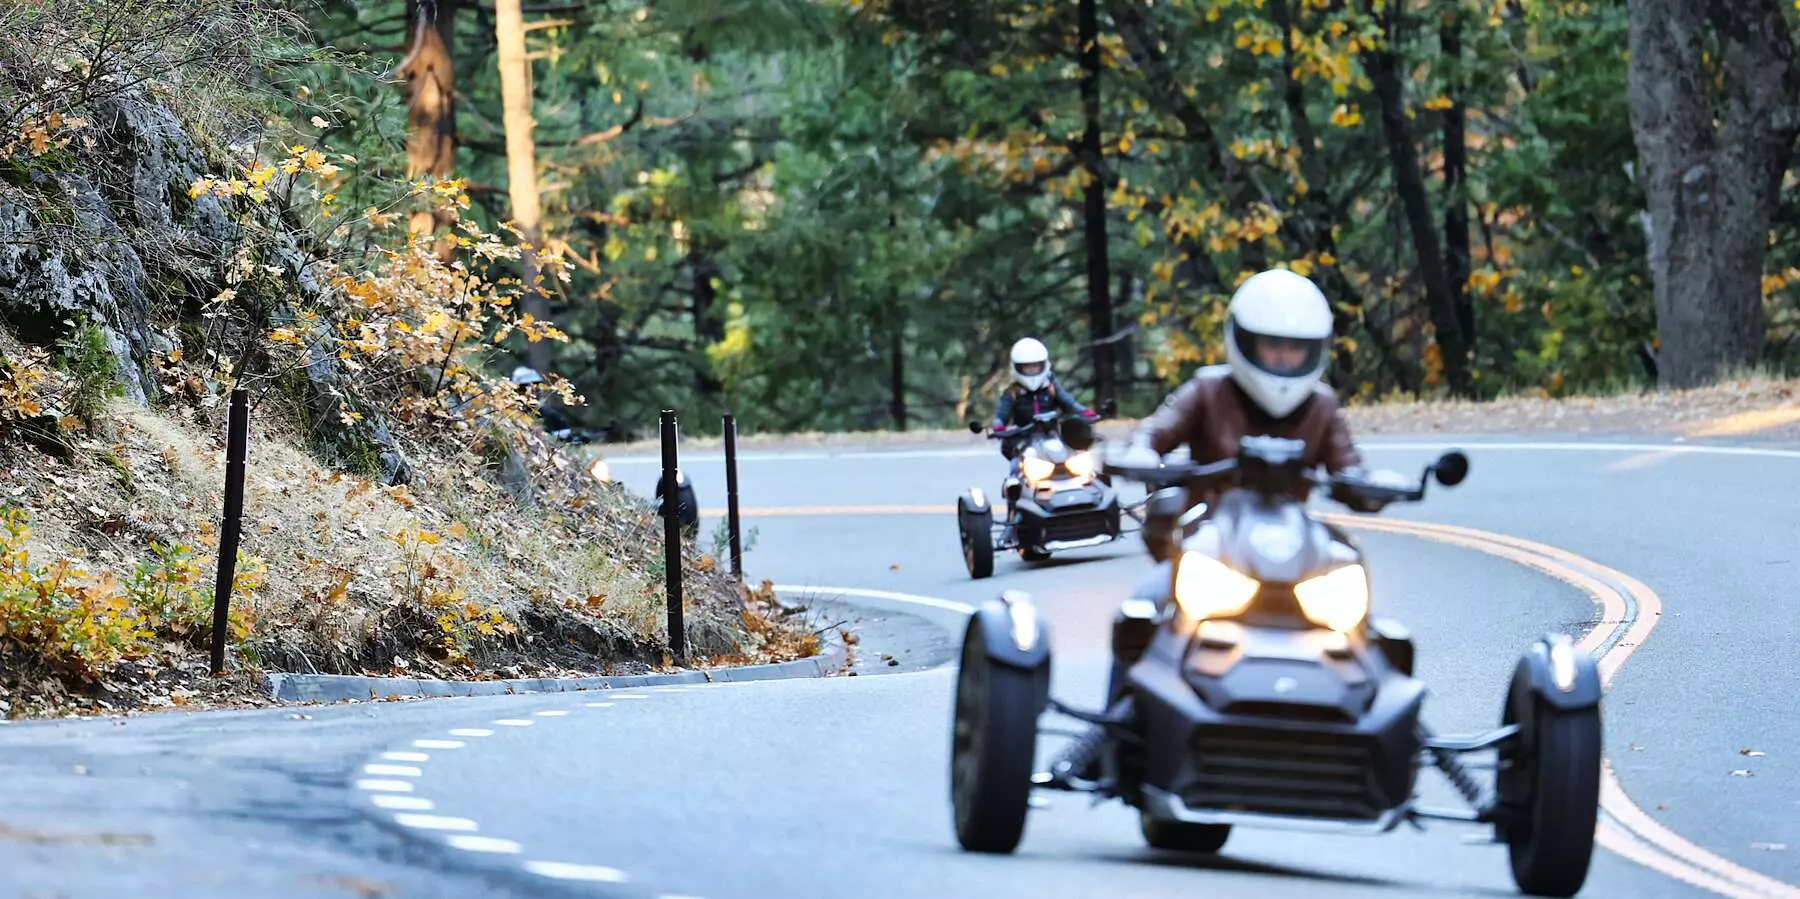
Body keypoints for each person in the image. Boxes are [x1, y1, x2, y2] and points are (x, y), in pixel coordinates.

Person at [1043, 267, 1367, 788]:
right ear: (1244, 342)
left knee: (1368, 625)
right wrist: (1140, 456)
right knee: (1143, 613)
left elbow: (1352, 472)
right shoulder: (1209, 389)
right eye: (1271, 346)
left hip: (1295, 551)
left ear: (1315, 351)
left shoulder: (1323, 405)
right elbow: (1154, 434)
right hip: (1210, 545)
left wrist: (1374, 483)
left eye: (1294, 349)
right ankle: (1108, 753)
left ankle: (1379, 744)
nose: (1282, 359)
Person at [990, 337, 1099, 479]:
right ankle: (1014, 488)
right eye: (1027, 367)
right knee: (1017, 466)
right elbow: (1001, 414)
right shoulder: (1012, 392)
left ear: (1043, 365)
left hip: (1054, 435)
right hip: (1025, 439)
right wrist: (998, 426)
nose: (1031, 370)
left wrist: (1084, 412)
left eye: (1035, 366)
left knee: (1080, 459)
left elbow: (1069, 403)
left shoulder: (1051, 385)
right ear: (1017, 368)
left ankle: (1093, 486)